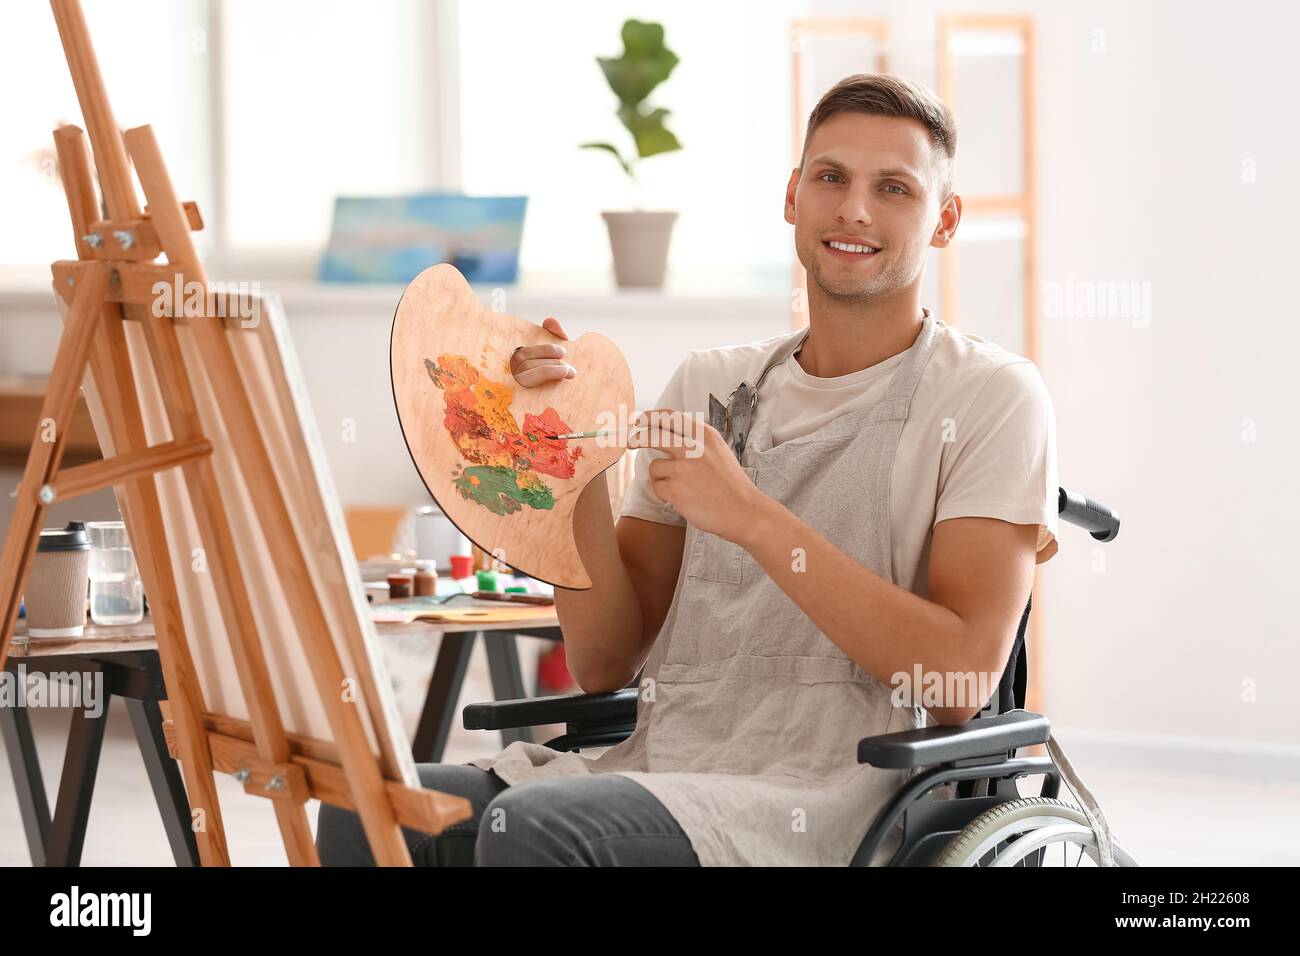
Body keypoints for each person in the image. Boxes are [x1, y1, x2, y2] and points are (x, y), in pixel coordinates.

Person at [316, 72, 1058, 867]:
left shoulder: (990, 397)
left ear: (944, 221)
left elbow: (955, 684)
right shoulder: (711, 384)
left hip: (847, 794)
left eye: (895, 188)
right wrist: (571, 458)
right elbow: (605, 658)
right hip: (667, 763)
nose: (854, 209)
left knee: (536, 832)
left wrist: (751, 516)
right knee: (366, 808)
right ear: (792, 197)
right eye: (831, 177)